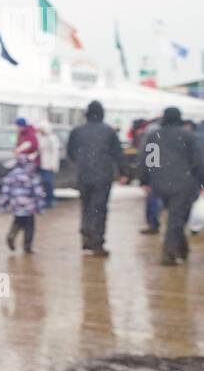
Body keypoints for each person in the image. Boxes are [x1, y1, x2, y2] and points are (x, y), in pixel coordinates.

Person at [139, 107, 204, 266]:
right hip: (183, 183)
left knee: (176, 217)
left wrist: (146, 180)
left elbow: (148, 160)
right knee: (177, 219)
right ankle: (169, 254)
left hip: (161, 183)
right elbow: (198, 161)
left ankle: (181, 249)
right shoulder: (187, 135)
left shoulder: (154, 135)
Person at [66, 100, 126, 256]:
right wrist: (124, 173)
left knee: (86, 207)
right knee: (99, 209)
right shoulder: (109, 131)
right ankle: (97, 242)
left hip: (84, 175)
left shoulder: (77, 131)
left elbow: (70, 152)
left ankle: (86, 236)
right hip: (103, 176)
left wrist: (82, 163)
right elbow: (118, 154)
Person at [0, 157, 45, 253]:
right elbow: (38, 192)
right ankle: (27, 246)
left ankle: (11, 235)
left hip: (16, 205)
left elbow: (5, 191)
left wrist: (3, 204)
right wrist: (40, 207)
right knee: (29, 226)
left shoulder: (11, 175)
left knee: (17, 222)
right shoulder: (32, 175)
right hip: (29, 207)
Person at [35, 120, 60, 209]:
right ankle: (44, 200)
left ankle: (50, 200)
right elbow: (37, 150)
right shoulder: (39, 137)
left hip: (49, 165)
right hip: (41, 164)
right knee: (41, 183)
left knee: (48, 182)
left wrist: (53, 164)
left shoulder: (52, 138)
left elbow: (55, 152)